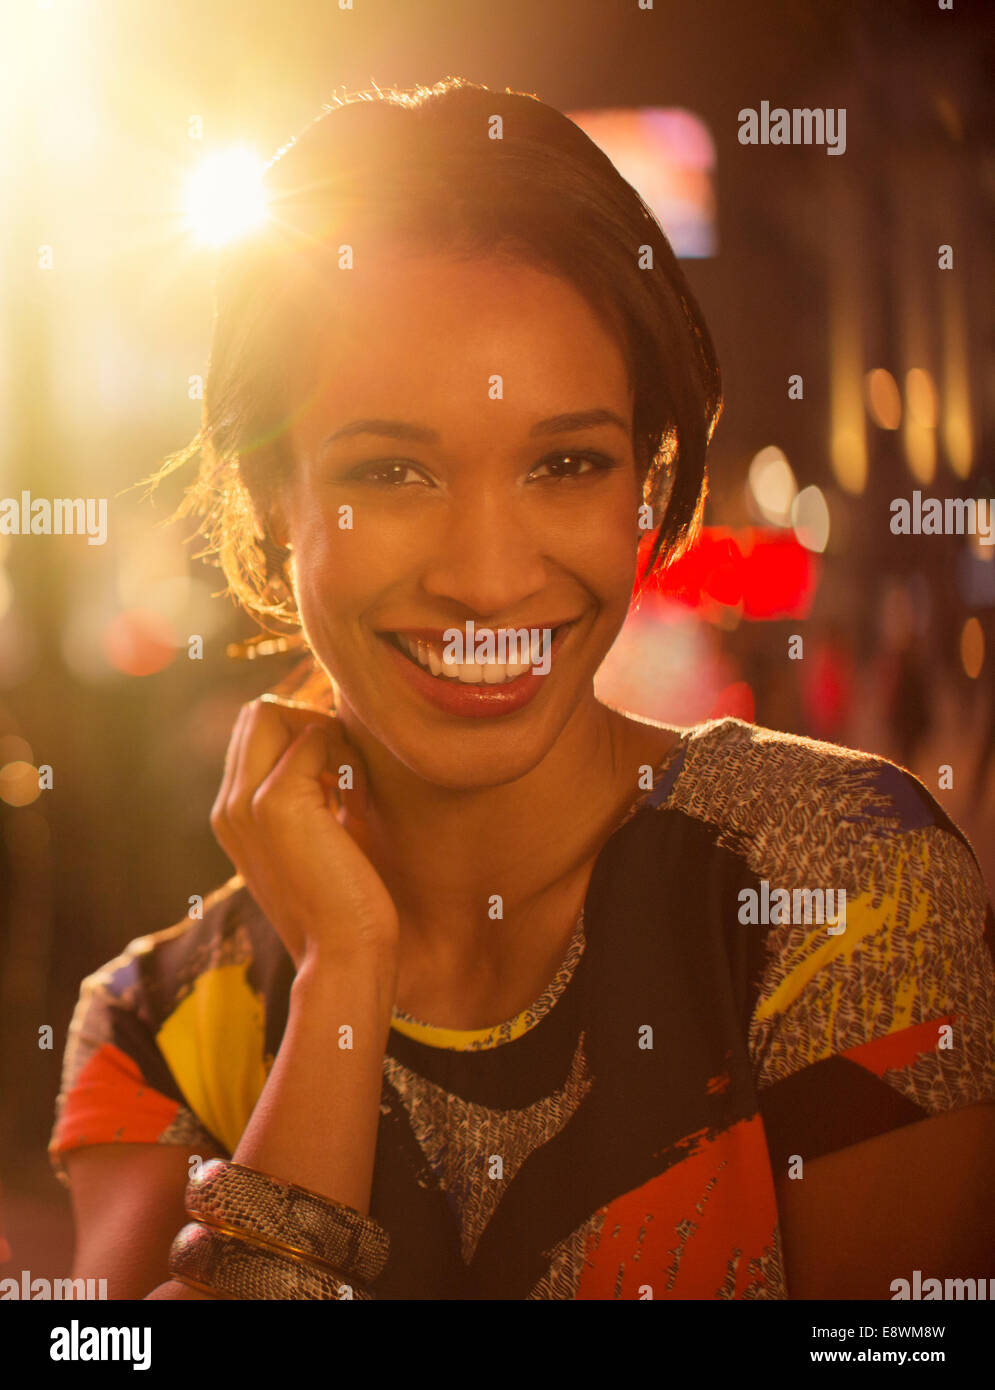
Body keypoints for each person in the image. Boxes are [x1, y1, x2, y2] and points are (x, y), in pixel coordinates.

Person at [50, 77, 995, 1301]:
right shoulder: (157, 1023)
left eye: (566, 462)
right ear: (273, 499)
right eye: (391, 470)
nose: (488, 580)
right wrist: (342, 969)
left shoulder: (836, 882)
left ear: (644, 486)